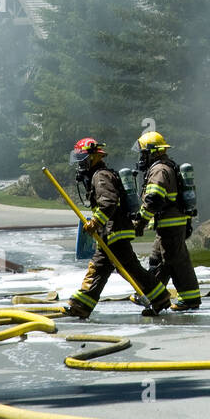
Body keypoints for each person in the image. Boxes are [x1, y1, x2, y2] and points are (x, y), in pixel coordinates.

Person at [65, 137, 170, 319]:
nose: (80, 165)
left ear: (92, 157)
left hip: (115, 231)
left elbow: (109, 202)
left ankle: (159, 297)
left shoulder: (100, 176)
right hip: (112, 231)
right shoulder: (99, 175)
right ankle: (81, 306)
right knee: (107, 268)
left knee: (118, 268)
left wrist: (96, 222)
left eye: (82, 160)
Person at [136, 131, 201, 312]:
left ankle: (187, 300)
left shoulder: (159, 170)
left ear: (154, 152)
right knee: (158, 259)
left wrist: (141, 221)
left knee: (176, 262)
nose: (141, 157)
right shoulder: (165, 166)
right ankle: (153, 294)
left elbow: (154, 199)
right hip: (170, 223)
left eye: (143, 152)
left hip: (169, 224)